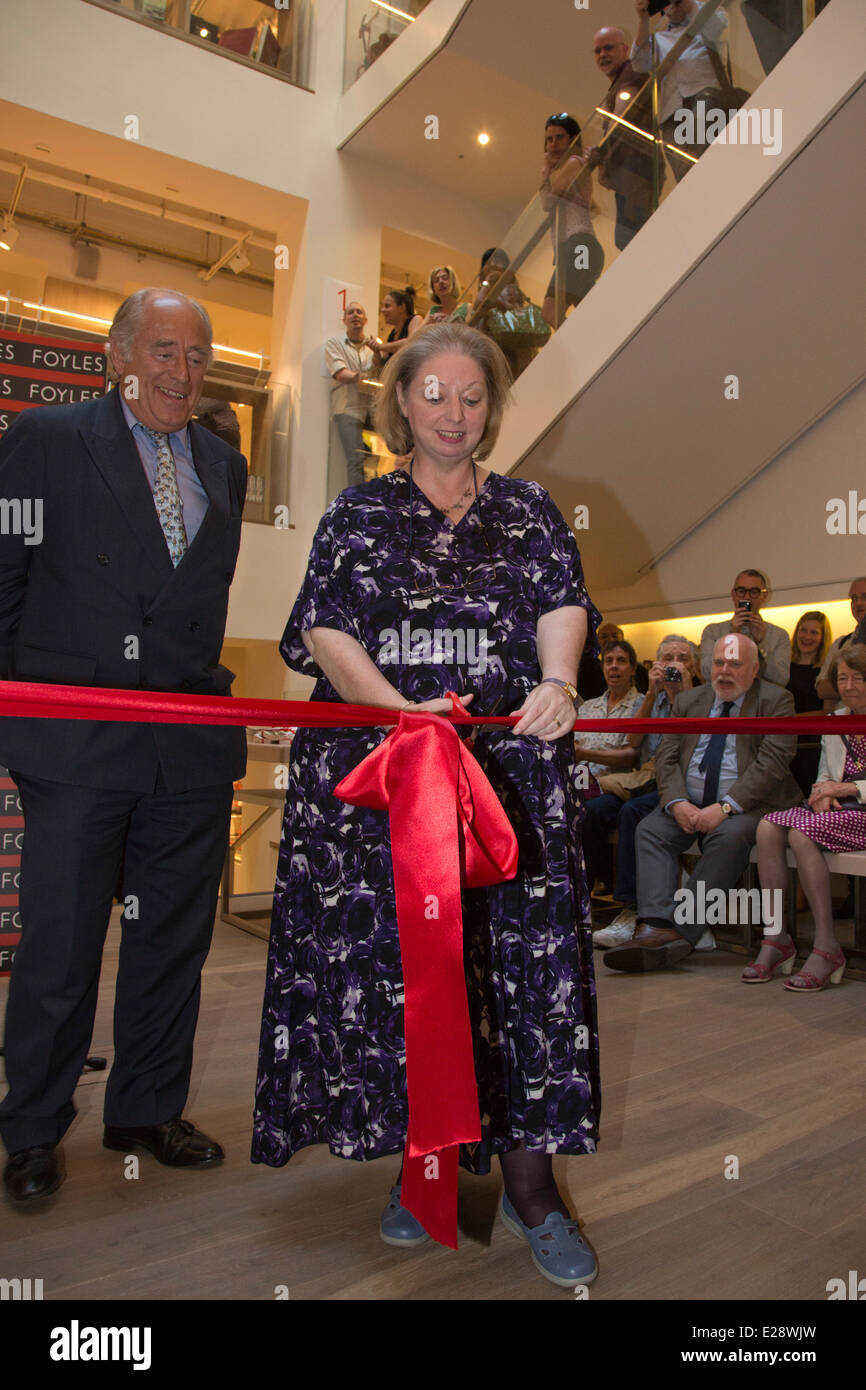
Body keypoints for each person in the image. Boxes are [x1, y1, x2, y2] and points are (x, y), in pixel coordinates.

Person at [252, 321, 603, 1289]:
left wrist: (560, 681)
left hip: (509, 780)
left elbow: (560, 604)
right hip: (385, 779)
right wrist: (401, 715)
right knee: (405, 974)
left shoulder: (529, 510)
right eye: (433, 394)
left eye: (472, 396)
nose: (453, 413)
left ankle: (534, 1191)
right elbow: (324, 630)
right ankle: (427, 1169)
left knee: (526, 984)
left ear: (491, 409)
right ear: (399, 401)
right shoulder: (358, 513)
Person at [0, 288, 248, 1202]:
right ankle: (31, 1127)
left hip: (186, 745)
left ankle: (145, 1109)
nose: (182, 373)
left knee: (171, 944)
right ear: (119, 357)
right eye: (166, 351)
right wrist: (19, 712)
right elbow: (4, 580)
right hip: (76, 741)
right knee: (60, 942)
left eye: (197, 356)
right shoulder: (47, 440)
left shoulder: (226, 464)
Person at [604, 634, 799, 972]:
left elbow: (772, 764)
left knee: (729, 836)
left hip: (753, 805)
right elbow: (666, 757)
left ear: (754, 670)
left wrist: (725, 807)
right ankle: (654, 925)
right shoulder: (691, 700)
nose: (724, 672)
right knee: (650, 828)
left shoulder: (777, 700)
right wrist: (677, 801)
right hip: (691, 800)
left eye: (735, 664)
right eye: (719, 663)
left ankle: (682, 932)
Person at [750, 645, 865, 991]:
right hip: (836, 810)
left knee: (801, 834)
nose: (849, 686)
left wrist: (846, 790)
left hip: (861, 807)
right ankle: (776, 937)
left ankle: (827, 945)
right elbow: (824, 773)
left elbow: (843, 784)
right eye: (842, 678)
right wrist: (821, 793)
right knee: (768, 826)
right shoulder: (834, 721)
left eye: (858, 678)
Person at [591, 634, 712, 948]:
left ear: (695, 666)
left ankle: (632, 908)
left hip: (680, 784)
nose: (673, 665)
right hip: (643, 779)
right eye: (667, 658)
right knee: (595, 808)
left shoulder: (704, 698)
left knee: (633, 812)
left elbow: (697, 745)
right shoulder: (652, 698)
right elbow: (632, 742)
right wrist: (652, 693)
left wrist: (682, 692)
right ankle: (588, 897)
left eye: (681, 658)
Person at [631, 0, 728, 182]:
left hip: (707, 95)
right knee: (684, 174)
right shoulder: (657, 39)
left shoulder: (704, 11)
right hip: (671, 113)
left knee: (704, 156)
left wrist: (687, 3)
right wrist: (643, 20)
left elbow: (715, 27)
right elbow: (638, 63)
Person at [590, 24, 665, 248]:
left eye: (609, 48)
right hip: (629, 171)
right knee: (628, 239)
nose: (603, 55)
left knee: (631, 239)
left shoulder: (633, 74)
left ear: (624, 50)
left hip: (636, 169)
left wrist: (601, 150)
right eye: (598, 51)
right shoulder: (618, 85)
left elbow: (621, 118)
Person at [539, 114, 605, 329]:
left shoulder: (574, 162)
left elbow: (547, 202)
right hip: (571, 249)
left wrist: (545, 174)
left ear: (572, 139)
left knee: (562, 306)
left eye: (560, 137)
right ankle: (597, 340)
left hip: (581, 244)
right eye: (549, 139)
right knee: (553, 311)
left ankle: (598, 339)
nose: (553, 144)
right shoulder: (561, 171)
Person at [574, 639, 643, 829]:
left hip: (613, 789)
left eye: (621, 661)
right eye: (608, 661)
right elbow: (574, 751)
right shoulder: (588, 706)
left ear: (632, 668)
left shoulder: (641, 705)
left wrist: (585, 754)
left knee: (586, 813)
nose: (614, 666)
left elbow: (631, 758)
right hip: (580, 783)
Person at [455, 248, 550, 381]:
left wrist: (490, 283)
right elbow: (478, 305)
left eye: (497, 261)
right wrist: (488, 282)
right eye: (488, 262)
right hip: (491, 348)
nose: (493, 264)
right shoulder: (486, 287)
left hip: (510, 348)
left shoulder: (511, 289)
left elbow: (488, 304)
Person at [700, 569, 790, 688]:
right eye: (741, 591)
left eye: (754, 592)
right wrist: (731, 639)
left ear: (764, 595)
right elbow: (707, 673)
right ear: (733, 594)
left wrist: (761, 645)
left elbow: (780, 679)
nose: (747, 597)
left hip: (762, 703)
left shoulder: (779, 635)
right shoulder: (712, 632)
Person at [324, 301, 377, 487]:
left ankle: (374, 495)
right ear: (344, 319)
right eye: (351, 312)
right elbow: (340, 374)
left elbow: (381, 371)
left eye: (359, 312)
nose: (355, 315)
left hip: (371, 410)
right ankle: (357, 504)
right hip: (347, 410)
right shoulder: (334, 344)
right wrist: (359, 377)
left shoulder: (374, 346)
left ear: (365, 319)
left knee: (374, 456)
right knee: (355, 459)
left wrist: (378, 352)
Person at [787, 610, 831, 796]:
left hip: (812, 745)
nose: (807, 637)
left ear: (823, 638)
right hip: (786, 741)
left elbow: (828, 711)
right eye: (803, 630)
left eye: (814, 632)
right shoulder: (783, 667)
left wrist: (792, 719)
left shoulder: (825, 672)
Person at [816, 577, 866, 708]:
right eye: (854, 598)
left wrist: (840, 685)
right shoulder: (841, 643)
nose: (859, 603)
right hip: (844, 723)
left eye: (865, 597)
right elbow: (822, 688)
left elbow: (829, 688)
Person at [369, 289, 424, 365]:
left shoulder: (416, 319)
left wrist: (380, 346)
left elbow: (411, 343)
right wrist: (375, 350)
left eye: (387, 306)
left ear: (402, 308)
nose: (382, 310)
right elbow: (380, 363)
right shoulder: (393, 333)